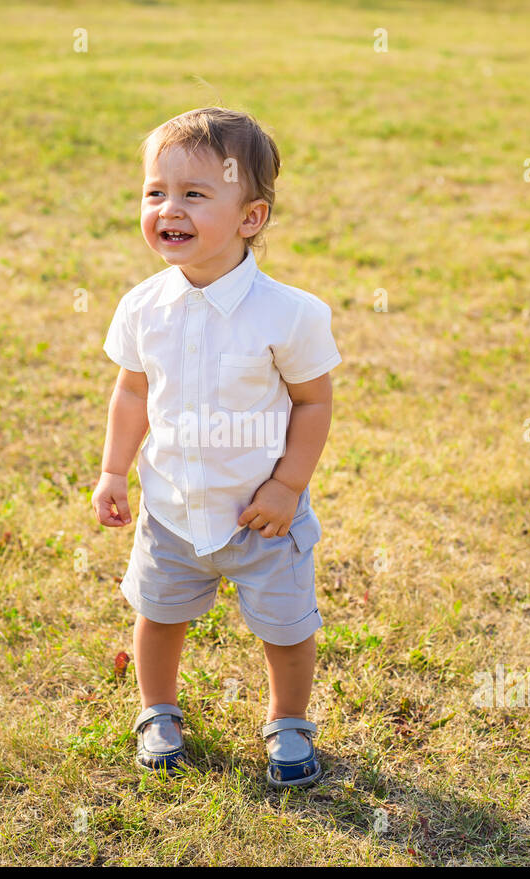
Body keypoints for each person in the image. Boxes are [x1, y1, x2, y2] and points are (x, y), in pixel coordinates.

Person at [92, 106, 342, 788]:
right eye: (155, 192)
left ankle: (288, 720)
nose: (168, 208)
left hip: (262, 515)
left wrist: (287, 486)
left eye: (194, 195)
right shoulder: (142, 306)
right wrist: (115, 469)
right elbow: (134, 392)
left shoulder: (290, 314)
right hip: (172, 507)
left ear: (250, 218)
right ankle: (157, 710)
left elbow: (314, 402)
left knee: (287, 627)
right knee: (158, 613)